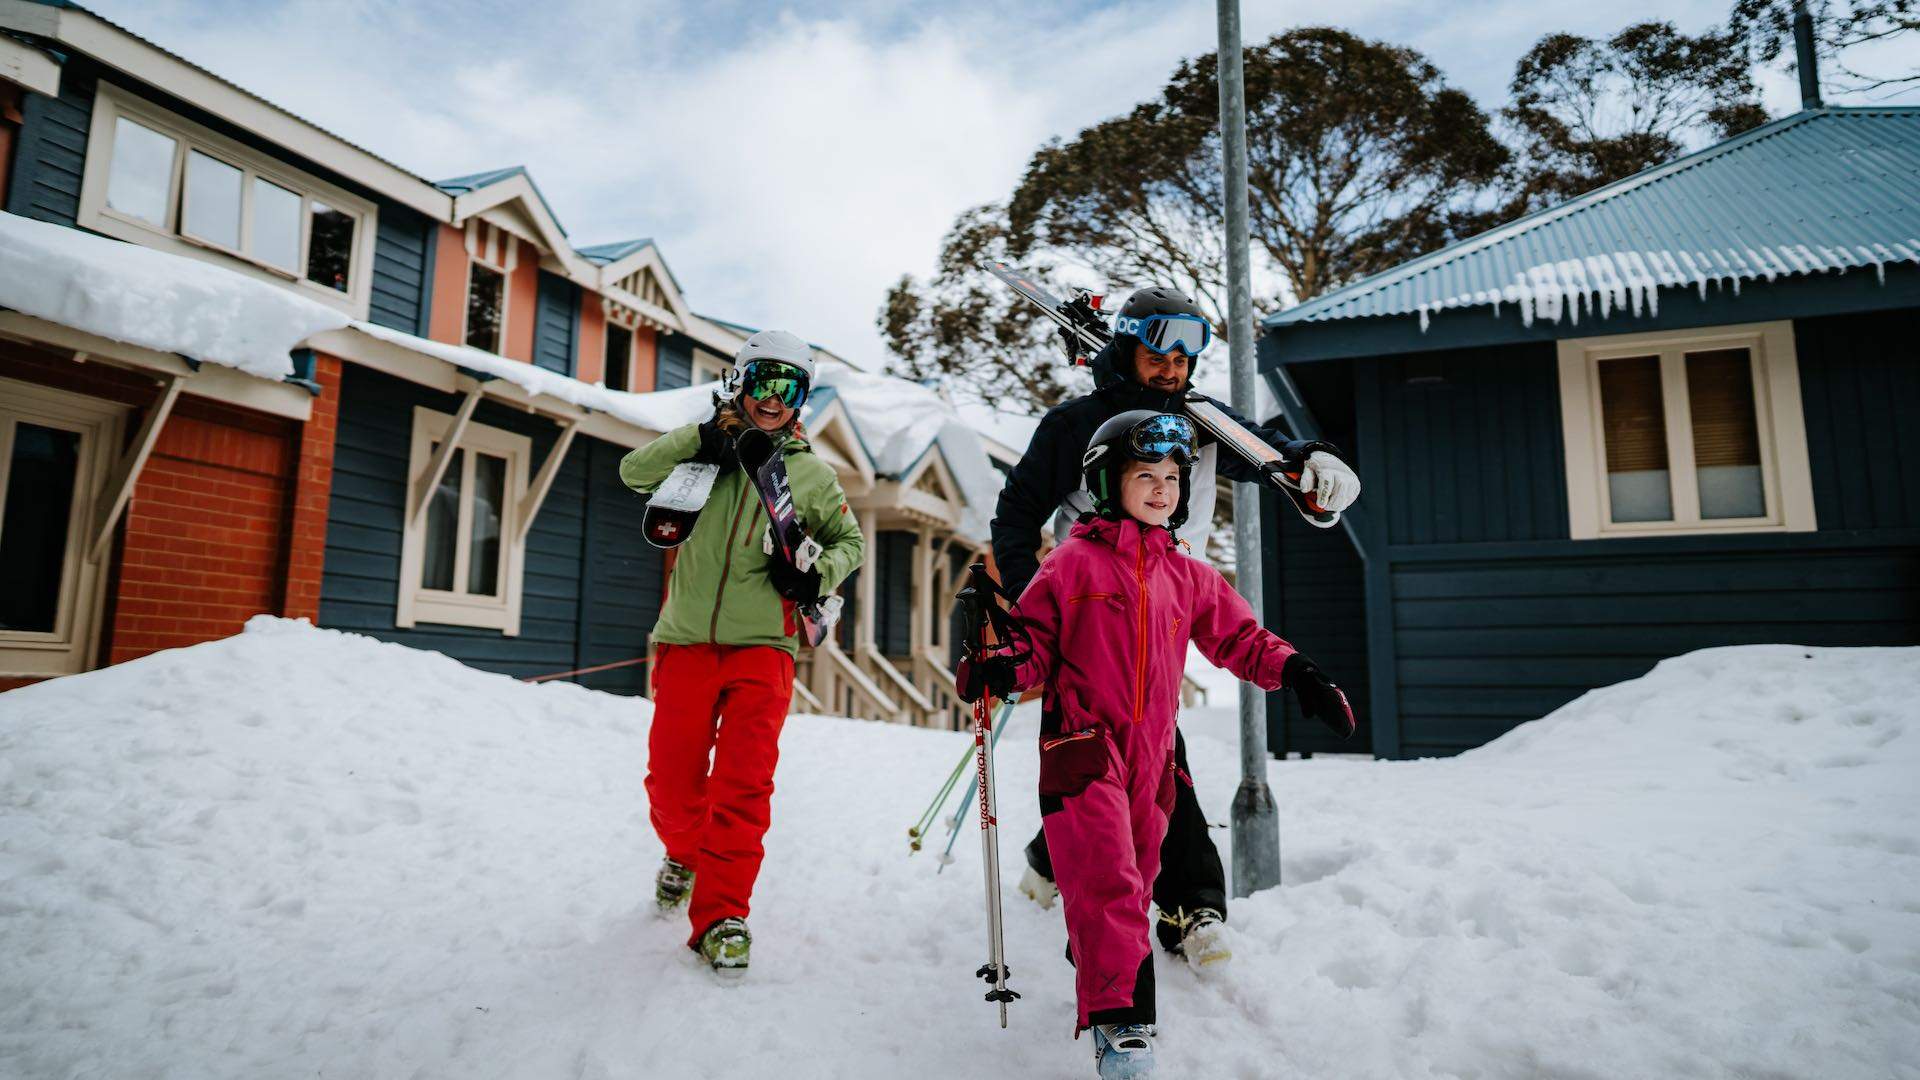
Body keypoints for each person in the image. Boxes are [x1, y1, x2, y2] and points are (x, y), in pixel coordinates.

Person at [961, 411, 1354, 1079]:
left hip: (1154, 760)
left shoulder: (1185, 573)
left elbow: (1240, 636)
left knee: (1136, 882)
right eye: (1146, 475)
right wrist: (997, 665)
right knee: (1111, 884)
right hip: (1083, 751)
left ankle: (1099, 961)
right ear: (1106, 483)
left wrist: (1297, 671)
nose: (1163, 489)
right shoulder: (1071, 564)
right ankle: (1123, 1029)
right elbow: (1031, 646)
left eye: (1172, 478)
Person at [990, 284, 1361, 966]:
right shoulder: (1077, 425)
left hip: (1164, 602)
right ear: (1126, 349)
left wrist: (1313, 460)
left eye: (1186, 357)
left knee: (1124, 760)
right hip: (1087, 614)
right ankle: (1191, 903)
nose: (1172, 369)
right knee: (1153, 758)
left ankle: (1048, 858)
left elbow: (1269, 453)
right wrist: (1034, 609)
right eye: (1158, 354)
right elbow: (1015, 517)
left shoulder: (1202, 420)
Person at [618, 329, 864, 977]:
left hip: (764, 649)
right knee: (671, 785)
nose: (773, 398)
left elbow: (850, 543)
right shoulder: (702, 455)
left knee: (743, 787)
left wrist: (816, 574)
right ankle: (684, 853)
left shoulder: (809, 474)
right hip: (686, 643)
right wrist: (700, 438)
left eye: (789, 386)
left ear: (801, 398)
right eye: (762, 381)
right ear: (740, 383)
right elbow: (633, 473)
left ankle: (723, 915)